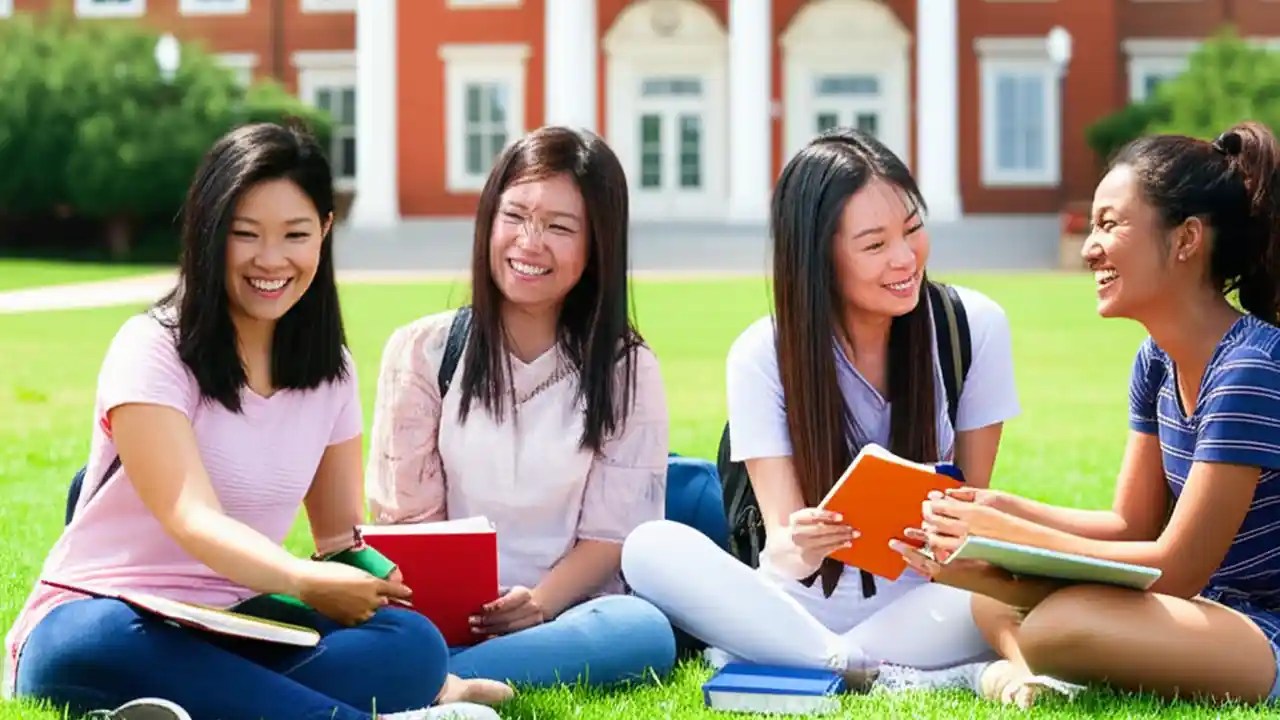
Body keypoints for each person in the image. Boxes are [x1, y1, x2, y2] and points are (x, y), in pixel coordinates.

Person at [3, 123, 500, 720]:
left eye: (295, 234)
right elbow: (191, 517)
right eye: (245, 234)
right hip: (109, 613)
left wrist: (381, 576)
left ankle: (201, 703)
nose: (270, 259)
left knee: (411, 643)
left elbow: (339, 539)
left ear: (325, 231)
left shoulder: (330, 371)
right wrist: (300, 579)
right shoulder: (153, 348)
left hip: (238, 625)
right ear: (210, 233)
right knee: (94, 645)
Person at [896, 120, 1280, 709]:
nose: (1089, 248)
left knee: (1060, 626)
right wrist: (995, 512)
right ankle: (1035, 676)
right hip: (1197, 610)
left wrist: (1011, 538)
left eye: (1110, 224)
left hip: (1260, 627)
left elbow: (1176, 568)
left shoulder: (1249, 368)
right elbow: (1130, 526)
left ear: (1186, 239)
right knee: (988, 599)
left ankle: (1028, 671)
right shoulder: (1156, 361)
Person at [621, 127, 1021, 689]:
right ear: (819, 257)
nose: (905, 258)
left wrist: (945, 540)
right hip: (796, 606)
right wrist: (803, 542)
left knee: (1009, 596)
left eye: (912, 229)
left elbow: (971, 527)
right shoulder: (763, 354)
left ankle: (809, 664)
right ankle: (866, 668)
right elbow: (783, 552)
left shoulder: (971, 327)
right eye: (875, 245)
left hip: (924, 609)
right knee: (647, 548)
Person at [365, 125, 677, 689]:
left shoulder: (626, 368)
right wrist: (457, 607)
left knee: (644, 631)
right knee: (369, 627)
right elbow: (407, 523)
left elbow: (612, 537)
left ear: (597, 246)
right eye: (514, 216)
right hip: (441, 615)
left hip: (567, 612)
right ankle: (433, 673)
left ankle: (431, 683)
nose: (530, 243)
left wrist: (537, 603)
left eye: (560, 227)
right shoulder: (424, 351)